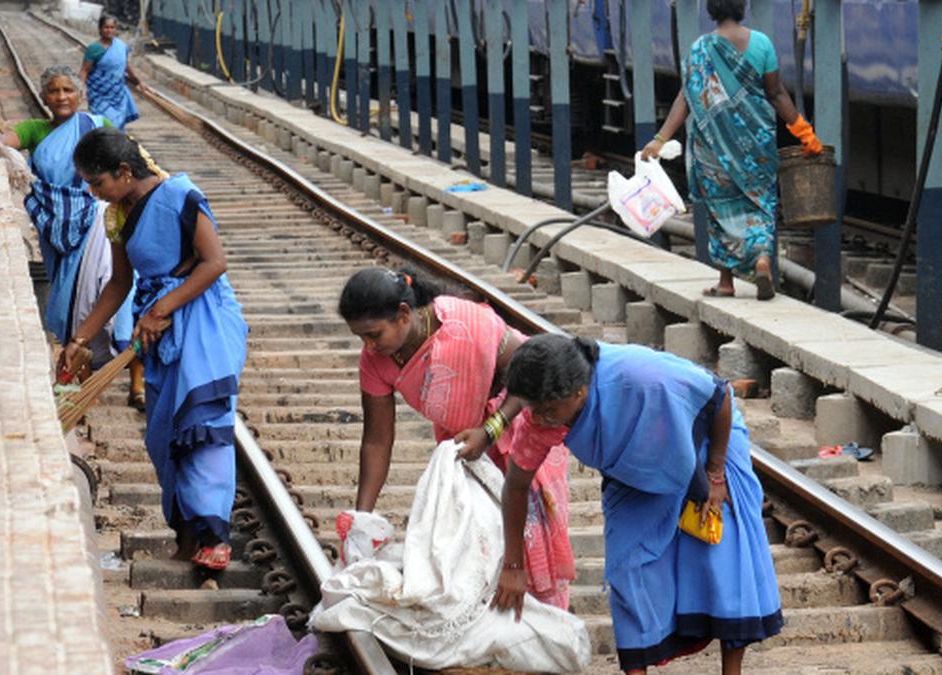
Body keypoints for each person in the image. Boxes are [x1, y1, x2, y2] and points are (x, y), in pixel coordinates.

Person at [492, 334, 783, 674]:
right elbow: (515, 487)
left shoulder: (642, 375)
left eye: (547, 410)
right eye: (533, 409)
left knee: (722, 555)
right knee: (628, 566)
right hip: (632, 468)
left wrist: (715, 474)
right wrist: (513, 566)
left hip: (701, 440)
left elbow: (718, 395)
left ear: (579, 392)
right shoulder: (542, 419)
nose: (538, 419)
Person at [58, 127, 248, 570]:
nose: (93, 191)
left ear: (124, 171)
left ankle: (215, 537)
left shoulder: (182, 195)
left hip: (203, 320)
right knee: (164, 432)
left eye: (97, 182)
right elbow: (120, 284)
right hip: (157, 332)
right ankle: (185, 535)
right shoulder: (117, 216)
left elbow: (214, 263)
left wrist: (162, 308)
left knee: (204, 425)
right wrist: (80, 338)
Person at [338, 267, 575, 609]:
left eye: (374, 334)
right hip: (466, 444)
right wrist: (362, 519)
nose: (369, 346)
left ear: (404, 315)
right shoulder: (375, 361)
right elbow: (377, 440)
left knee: (529, 535)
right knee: (475, 540)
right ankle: (491, 626)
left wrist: (490, 430)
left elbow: (529, 375)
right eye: (361, 338)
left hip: (521, 422)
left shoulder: (464, 322)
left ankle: (546, 623)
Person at [0, 64, 144, 406]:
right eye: (54, 91)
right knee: (72, 302)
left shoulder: (96, 126)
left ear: (79, 94)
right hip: (58, 231)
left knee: (121, 293)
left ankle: (137, 383)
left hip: (101, 224)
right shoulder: (35, 131)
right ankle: (81, 378)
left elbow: (128, 159)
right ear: (44, 97)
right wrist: (9, 154)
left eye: (68, 90)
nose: (61, 97)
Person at [641, 0, 823, 301]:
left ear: (711, 10)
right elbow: (776, 93)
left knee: (720, 209)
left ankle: (726, 282)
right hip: (756, 143)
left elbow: (685, 99)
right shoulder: (762, 44)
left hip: (713, 147)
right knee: (760, 204)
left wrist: (660, 138)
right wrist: (804, 132)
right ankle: (763, 260)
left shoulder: (699, 48)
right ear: (743, 8)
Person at [80, 13, 147, 130]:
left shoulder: (121, 47)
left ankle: (116, 146)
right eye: (106, 27)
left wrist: (138, 82)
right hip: (98, 94)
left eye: (112, 27)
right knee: (103, 124)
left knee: (117, 125)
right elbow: (84, 70)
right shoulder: (94, 49)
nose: (109, 30)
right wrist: (80, 88)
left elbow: (127, 67)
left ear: (116, 29)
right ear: (100, 29)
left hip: (117, 95)